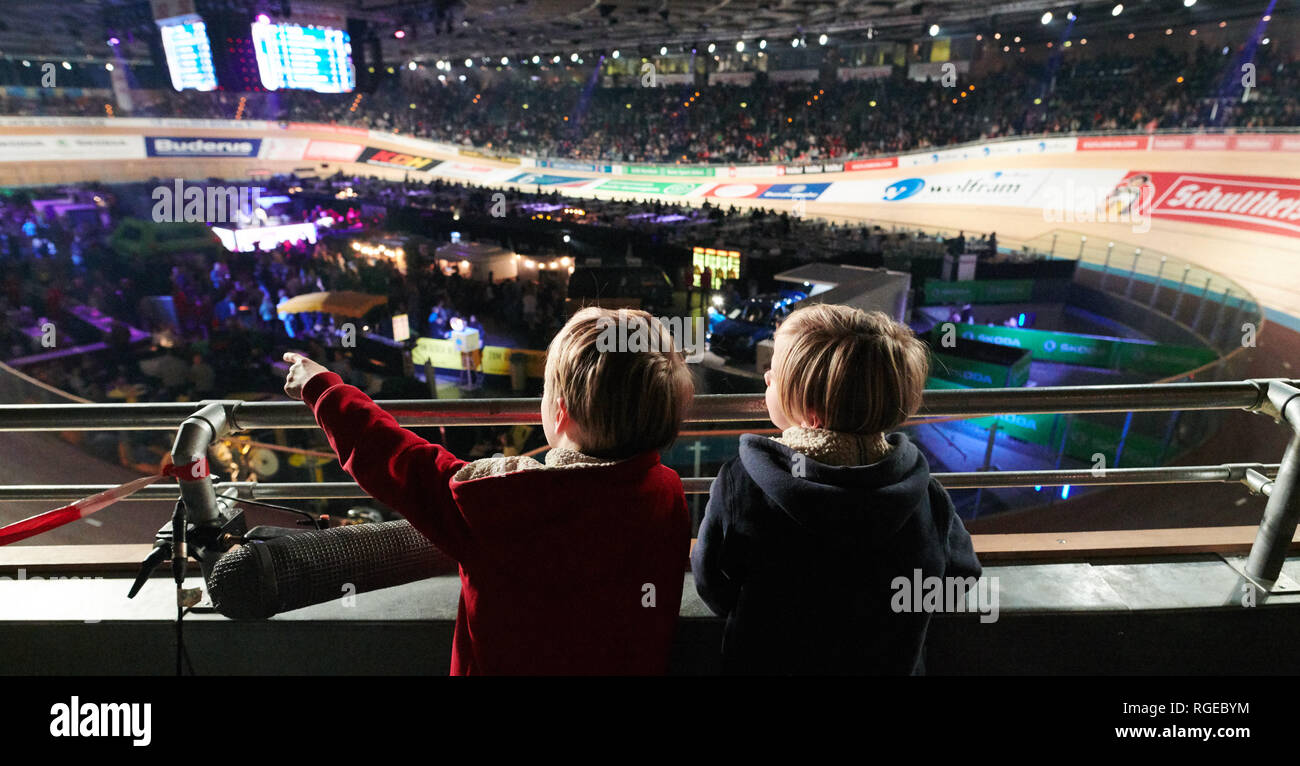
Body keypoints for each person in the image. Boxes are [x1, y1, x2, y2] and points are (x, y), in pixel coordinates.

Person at [283, 307, 696, 675]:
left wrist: (322, 388)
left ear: (559, 411)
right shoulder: (667, 493)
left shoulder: (499, 500)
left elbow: (396, 459)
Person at [691, 303, 981, 675]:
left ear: (811, 410)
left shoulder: (742, 484)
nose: (765, 377)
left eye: (774, 373)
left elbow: (713, 585)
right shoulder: (926, 496)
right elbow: (959, 580)